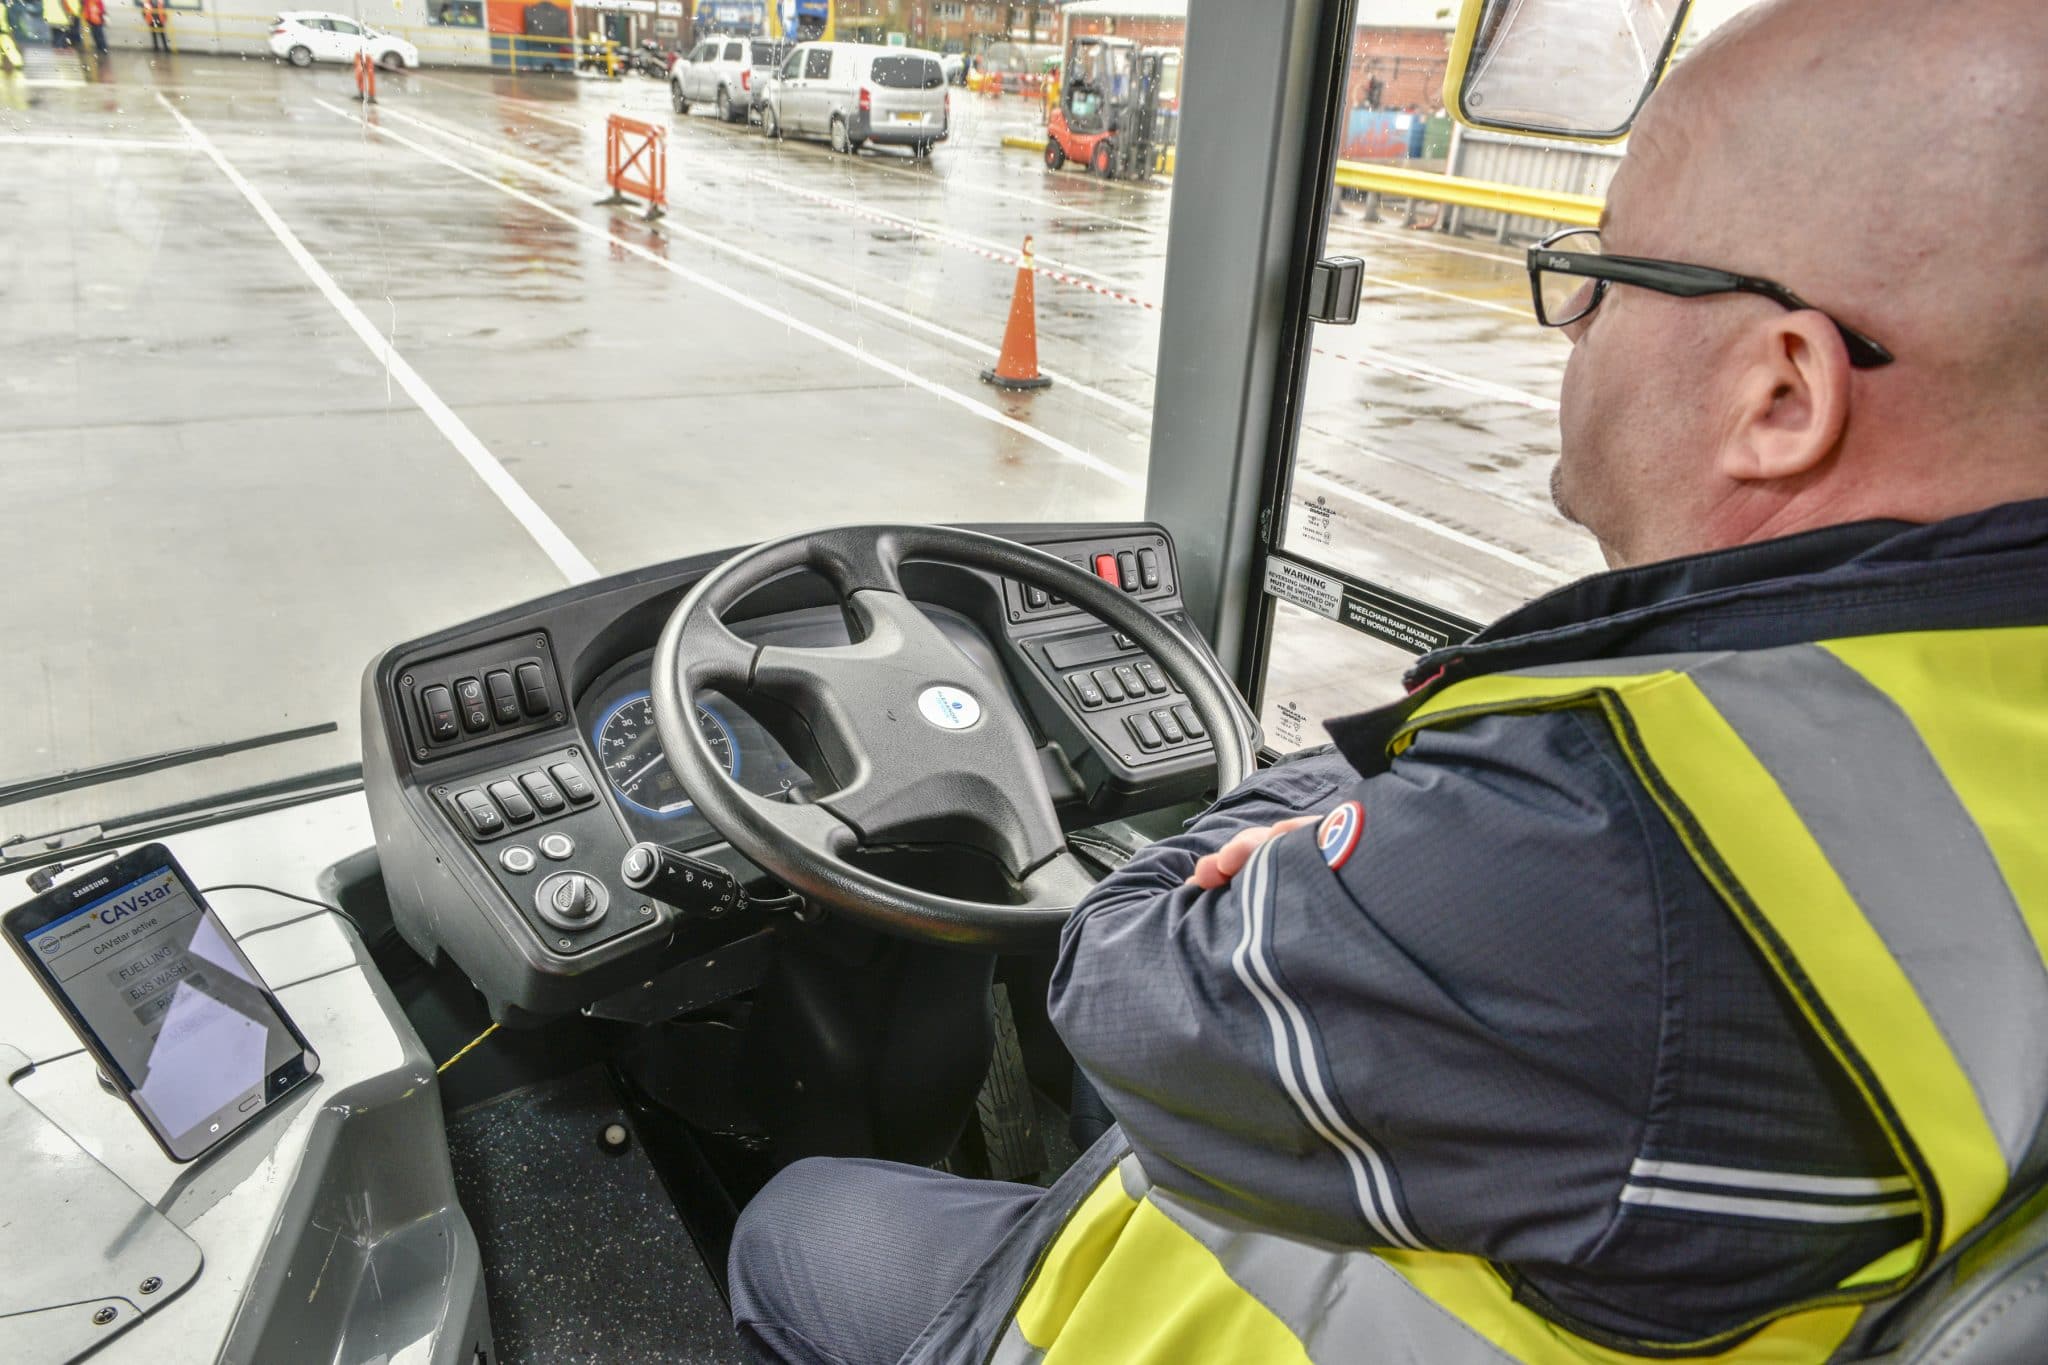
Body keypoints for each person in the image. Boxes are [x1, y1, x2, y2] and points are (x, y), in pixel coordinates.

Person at [727, 0, 2048, 1362]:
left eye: (1606, 274)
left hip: (1122, 1328)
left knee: (794, 1217)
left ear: (1783, 394)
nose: (1572, 321)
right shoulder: (1974, 713)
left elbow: (1117, 983)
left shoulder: (1613, 840)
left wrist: (1334, 803)